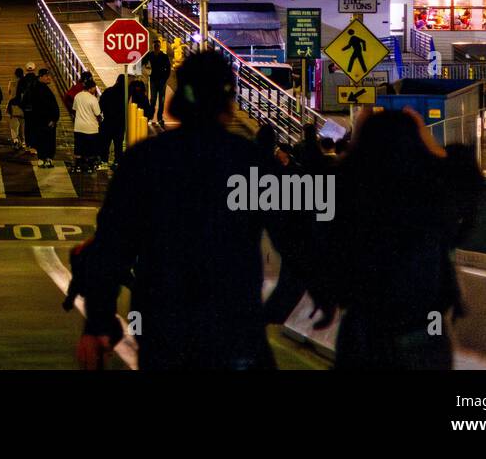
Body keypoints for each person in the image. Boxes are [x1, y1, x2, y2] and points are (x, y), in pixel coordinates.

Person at [75, 51, 326, 371]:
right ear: (228, 100)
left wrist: (97, 323)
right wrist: (288, 304)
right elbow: (298, 240)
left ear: (180, 96)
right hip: (235, 328)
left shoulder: (145, 160)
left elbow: (112, 246)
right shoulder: (249, 161)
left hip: (165, 329)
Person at [328, 108, 482, 369]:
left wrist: (356, 147)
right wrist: (430, 143)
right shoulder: (430, 195)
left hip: (363, 331)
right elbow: (467, 178)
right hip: (421, 328)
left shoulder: (350, 195)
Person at [27, 68, 60, 168]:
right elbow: (49, 106)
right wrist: (53, 119)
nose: (49, 78)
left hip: (38, 120)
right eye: (46, 76)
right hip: (45, 121)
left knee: (41, 139)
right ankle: (47, 158)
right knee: (47, 140)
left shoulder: (34, 87)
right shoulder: (41, 89)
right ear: (40, 77)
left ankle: (42, 158)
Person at [72, 75, 103, 173]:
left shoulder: (77, 96)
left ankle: (78, 166)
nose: (95, 89)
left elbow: (74, 110)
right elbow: (98, 114)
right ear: (91, 88)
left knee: (79, 148)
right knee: (91, 149)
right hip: (91, 128)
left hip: (78, 127)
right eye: (94, 88)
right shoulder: (92, 99)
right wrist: (100, 120)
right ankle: (90, 166)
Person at [99, 74, 127, 168]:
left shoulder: (108, 91)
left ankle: (104, 160)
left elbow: (100, 105)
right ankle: (117, 161)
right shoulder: (125, 94)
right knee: (118, 144)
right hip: (120, 123)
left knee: (105, 143)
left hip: (108, 121)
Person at [144, 40, 172, 128]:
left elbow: (168, 69)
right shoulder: (149, 55)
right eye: (155, 46)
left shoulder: (164, 56)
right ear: (153, 46)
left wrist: (165, 79)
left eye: (157, 46)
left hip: (161, 81)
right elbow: (143, 62)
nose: (156, 47)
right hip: (153, 80)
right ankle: (150, 116)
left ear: (159, 47)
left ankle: (160, 118)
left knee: (161, 100)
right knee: (152, 100)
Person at [6, 66, 28, 150]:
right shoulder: (25, 83)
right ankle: (23, 141)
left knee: (14, 125)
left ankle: (15, 140)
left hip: (14, 106)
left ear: (15, 75)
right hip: (23, 107)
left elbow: (9, 93)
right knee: (23, 125)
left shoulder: (11, 83)